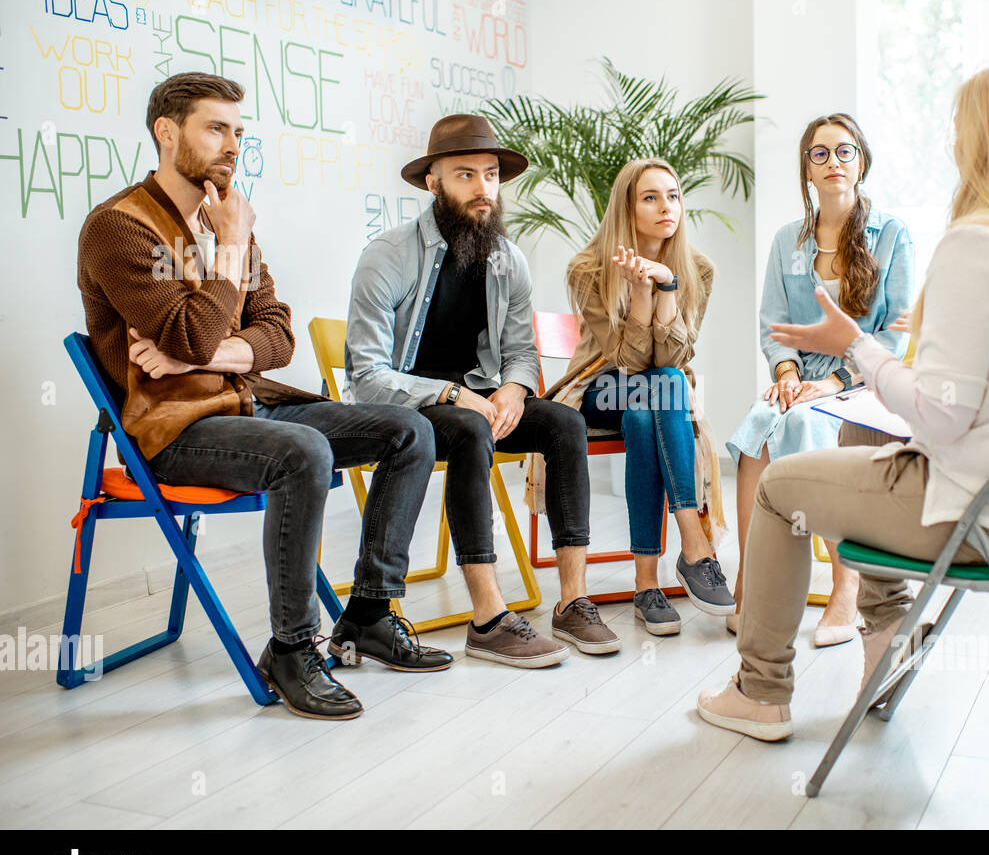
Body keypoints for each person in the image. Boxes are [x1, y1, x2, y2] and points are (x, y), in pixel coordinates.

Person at [697, 60, 989, 740]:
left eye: (961, 127)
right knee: (870, 445)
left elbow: (941, 412)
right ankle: (888, 648)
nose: (954, 143)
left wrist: (856, 348)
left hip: (986, 514)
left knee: (781, 488)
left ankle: (761, 689)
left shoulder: (980, 242)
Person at [77, 72, 449, 721]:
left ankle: (367, 613)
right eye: (215, 128)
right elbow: (191, 330)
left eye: (238, 131)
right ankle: (292, 646)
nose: (232, 145)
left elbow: (277, 332)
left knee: (409, 429)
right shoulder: (119, 227)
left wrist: (209, 350)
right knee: (302, 449)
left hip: (251, 406)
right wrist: (227, 254)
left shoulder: (228, 222)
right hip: (175, 428)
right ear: (167, 133)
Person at [346, 114, 619, 667]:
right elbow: (367, 376)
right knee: (471, 425)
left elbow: (521, 352)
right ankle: (489, 617)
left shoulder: (508, 260)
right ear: (433, 182)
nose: (482, 190)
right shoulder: (388, 255)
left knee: (564, 423)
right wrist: (450, 397)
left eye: (491, 175)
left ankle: (572, 600)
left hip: (484, 402)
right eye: (465, 175)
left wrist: (516, 390)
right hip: (412, 413)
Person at [727, 113, 913, 647]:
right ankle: (752, 580)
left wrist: (833, 381)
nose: (833, 162)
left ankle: (845, 586)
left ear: (861, 163)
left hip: (865, 378)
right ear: (807, 169)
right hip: (801, 378)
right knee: (758, 424)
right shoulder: (789, 239)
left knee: (809, 420)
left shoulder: (893, 235)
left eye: (845, 151)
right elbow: (773, 322)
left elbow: (895, 334)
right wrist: (785, 372)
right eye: (820, 153)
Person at [540, 159, 731, 637]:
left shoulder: (698, 269)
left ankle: (647, 586)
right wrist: (640, 291)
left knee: (652, 405)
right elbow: (627, 364)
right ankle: (694, 542)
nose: (667, 207)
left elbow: (673, 355)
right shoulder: (587, 269)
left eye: (673, 195)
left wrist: (667, 283)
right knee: (660, 385)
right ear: (627, 207)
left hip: (655, 396)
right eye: (650, 197)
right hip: (599, 388)